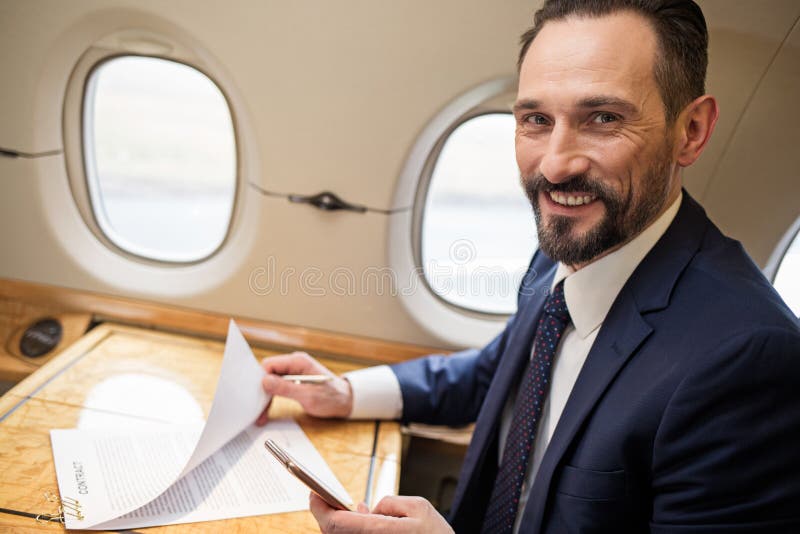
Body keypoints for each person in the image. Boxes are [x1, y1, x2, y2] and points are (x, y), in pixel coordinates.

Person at [257, 1, 800, 532]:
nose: (556, 165)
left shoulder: (748, 360)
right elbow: (500, 372)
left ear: (692, 131)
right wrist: (347, 393)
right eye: (536, 119)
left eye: (603, 118)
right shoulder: (569, 245)